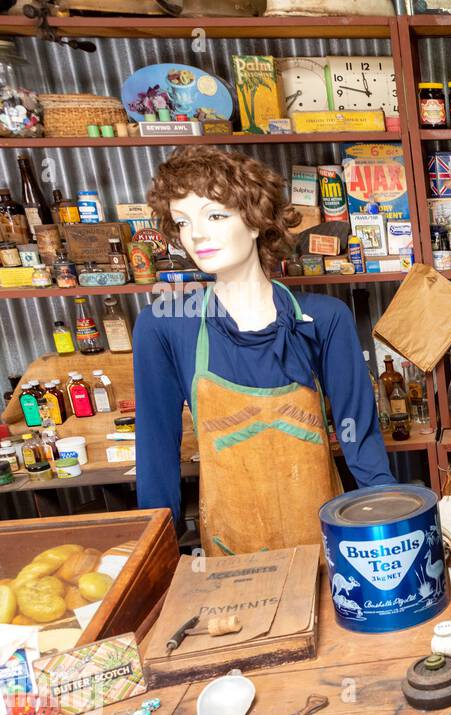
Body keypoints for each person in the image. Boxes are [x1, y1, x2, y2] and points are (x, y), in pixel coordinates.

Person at [134, 147, 395, 555]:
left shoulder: (324, 318)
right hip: (227, 551)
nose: (196, 235)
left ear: (256, 222)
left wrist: (391, 531)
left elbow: (358, 436)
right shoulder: (164, 324)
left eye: (215, 215)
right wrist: (153, 557)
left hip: (327, 546)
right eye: (183, 222)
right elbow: (157, 450)